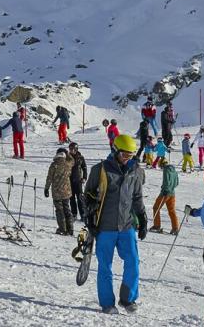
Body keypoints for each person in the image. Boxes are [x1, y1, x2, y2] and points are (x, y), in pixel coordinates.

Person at [83, 134, 147, 314]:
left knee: (133, 262)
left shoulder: (135, 171)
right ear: (115, 151)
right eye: (125, 155)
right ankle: (107, 303)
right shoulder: (100, 169)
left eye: (131, 155)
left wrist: (142, 218)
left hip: (126, 226)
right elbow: (87, 195)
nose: (128, 158)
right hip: (105, 227)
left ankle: (128, 299)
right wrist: (90, 220)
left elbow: (137, 197)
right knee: (105, 266)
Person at [44, 148, 75, 235]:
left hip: (56, 191)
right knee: (67, 209)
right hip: (67, 191)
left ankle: (62, 229)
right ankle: (70, 229)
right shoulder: (68, 163)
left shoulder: (54, 165)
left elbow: (49, 178)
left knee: (59, 210)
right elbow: (73, 160)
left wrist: (46, 188)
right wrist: (68, 153)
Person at [150, 158, 179, 233]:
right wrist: (171, 188)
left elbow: (166, 181)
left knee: (156, 208)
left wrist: (166, 189)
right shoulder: (174, 171)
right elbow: (176, 183)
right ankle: (175, 228)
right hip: (172, 193)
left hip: (165, 193)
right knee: (171, 210)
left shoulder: (166, 170)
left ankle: (157, 226)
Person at [67, 141, 87, 219]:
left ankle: (82, 214)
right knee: (71, 198)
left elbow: (84, 168)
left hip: (78, 180)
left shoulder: (80, 158)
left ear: (76, 149)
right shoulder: (67, 157)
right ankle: (74, 214)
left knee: (80, 198)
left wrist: (84, 177)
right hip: (69, 180)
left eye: (72, 149)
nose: (71, 150)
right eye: (70, 149)